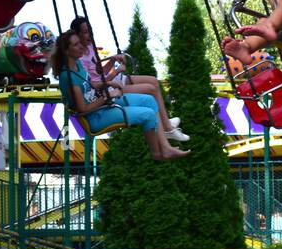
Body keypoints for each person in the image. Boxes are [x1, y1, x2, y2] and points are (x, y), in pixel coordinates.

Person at [50, 30, 188, 162]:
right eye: (76, 45)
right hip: (95, 116)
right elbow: (83, 108)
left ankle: (166, 147)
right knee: (148, 114)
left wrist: (108, 83)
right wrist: (107, 96)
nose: (81, 47)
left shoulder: (78, 64)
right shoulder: (68, 76)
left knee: (150, 100)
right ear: (67, 51)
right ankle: (157, 153)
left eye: (79, 43)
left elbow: (91, 84)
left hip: (103, 103)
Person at [68, 16, 188, 143]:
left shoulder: (91, 46)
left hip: (113, 79)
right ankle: (168, 129)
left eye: (90, 30)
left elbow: (99, 71)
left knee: (153, 81)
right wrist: (116, 71)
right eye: (86, 32)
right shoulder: (80, 59)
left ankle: (165, 122)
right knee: (150, 89)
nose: (89, 35)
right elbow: (97, 85)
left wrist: (113, 59)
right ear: (77, 35)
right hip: (108, 86)